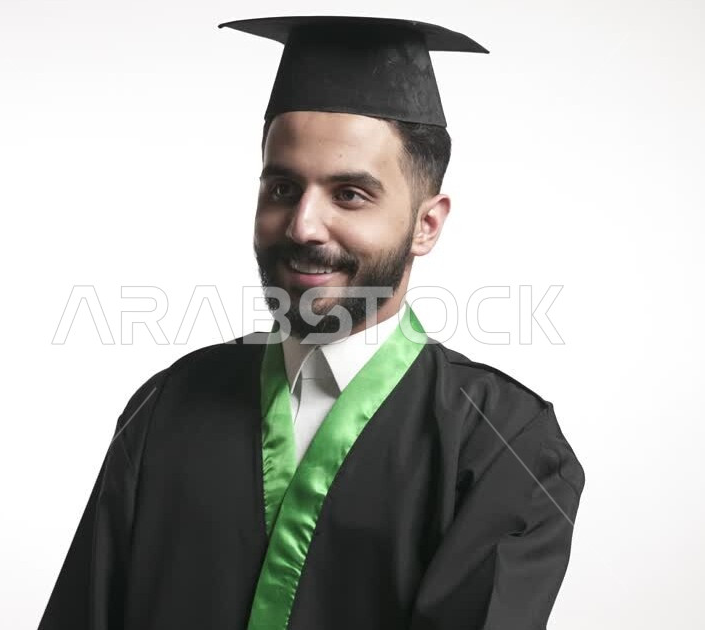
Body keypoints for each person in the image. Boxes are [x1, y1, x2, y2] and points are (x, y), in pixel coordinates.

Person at [39, 16, 585, 630]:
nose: (303, 226)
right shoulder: (167, 405)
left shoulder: (506, 448)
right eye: (282, 188)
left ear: (426, 224)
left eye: (350, 194)